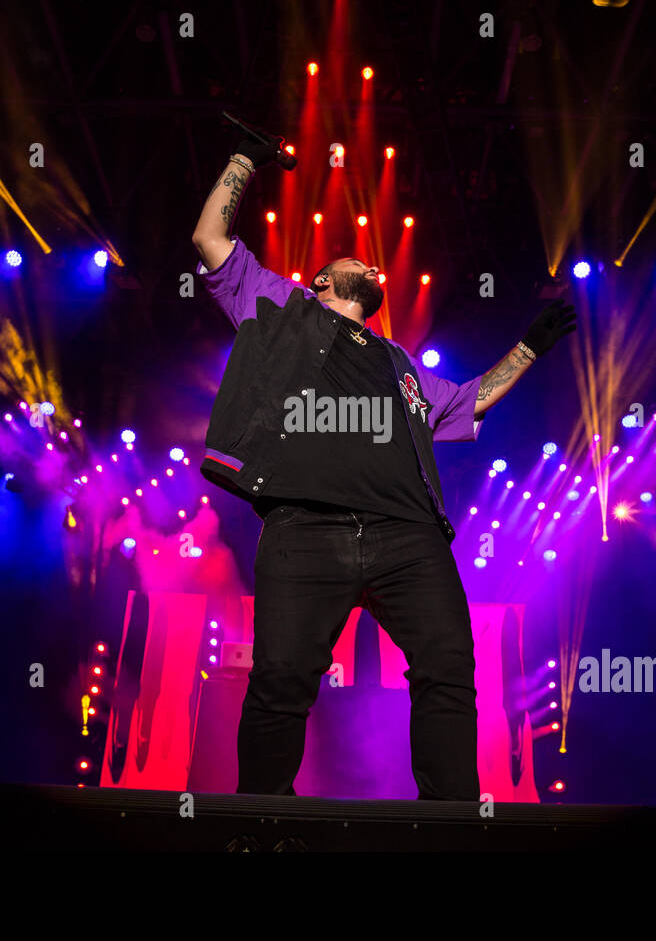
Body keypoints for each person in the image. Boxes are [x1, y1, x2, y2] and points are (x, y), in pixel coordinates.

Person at [190, 132, 576, 800]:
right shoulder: (280, 307)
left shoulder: (402, 366)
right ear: (320, 282)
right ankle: (259, 823)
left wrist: (530, 348)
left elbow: (472, 399)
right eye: (350, 260)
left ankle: (450, 823)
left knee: (450, 665)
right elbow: (209, 241)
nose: (367, 262)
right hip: (305, 526)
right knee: (282, 677)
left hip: (408, 535)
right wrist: (245, 158)